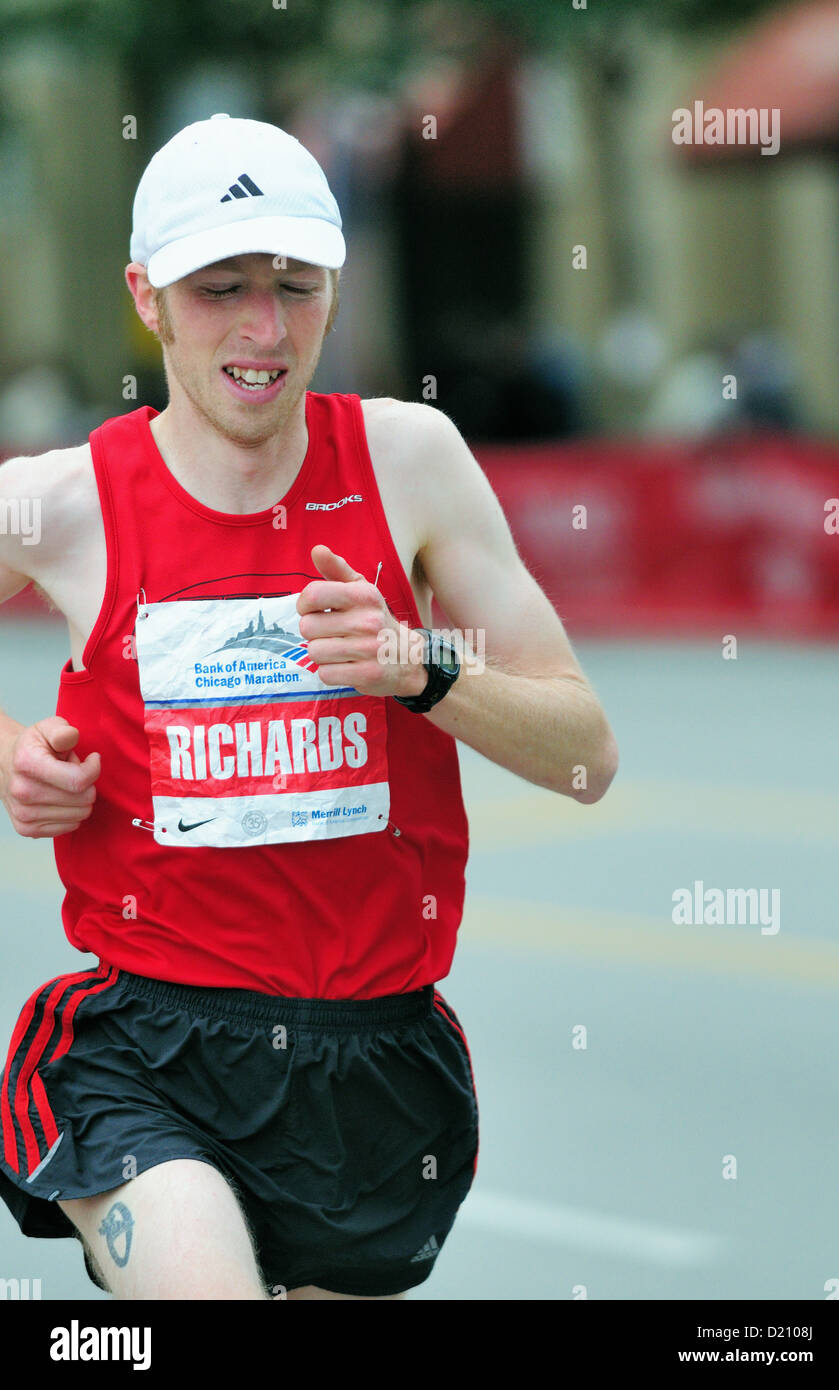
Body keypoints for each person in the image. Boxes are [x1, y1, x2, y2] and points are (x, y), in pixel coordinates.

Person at [0, 115, 618, 1300]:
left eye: (294, 285)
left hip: (378, 1073)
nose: (264, 330)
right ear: (147, 296)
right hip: (148, 1045)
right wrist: (17, 751)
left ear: (334, 287)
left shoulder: (410, 460)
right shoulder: (67, 501)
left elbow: (584, 755)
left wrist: (418, 666)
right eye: (219, 288)